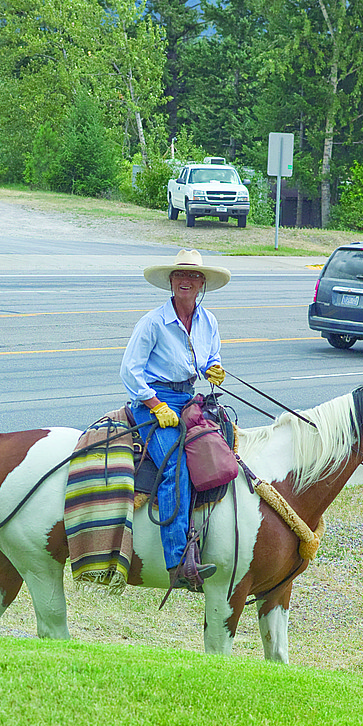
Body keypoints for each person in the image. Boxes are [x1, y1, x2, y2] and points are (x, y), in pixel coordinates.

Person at [120, 249, 231, 590]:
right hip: (153, 400)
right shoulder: (153, 322)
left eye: (193, 276)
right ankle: (178, 560)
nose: (187, 281)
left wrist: (214, 369)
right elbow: (129, 371)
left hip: (187, 398)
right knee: (176, 465)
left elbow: (210, 357)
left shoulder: (208, 321)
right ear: (171, 281)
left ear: (202, 284)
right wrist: (155, 404)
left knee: (223, 447)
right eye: (180, 275)